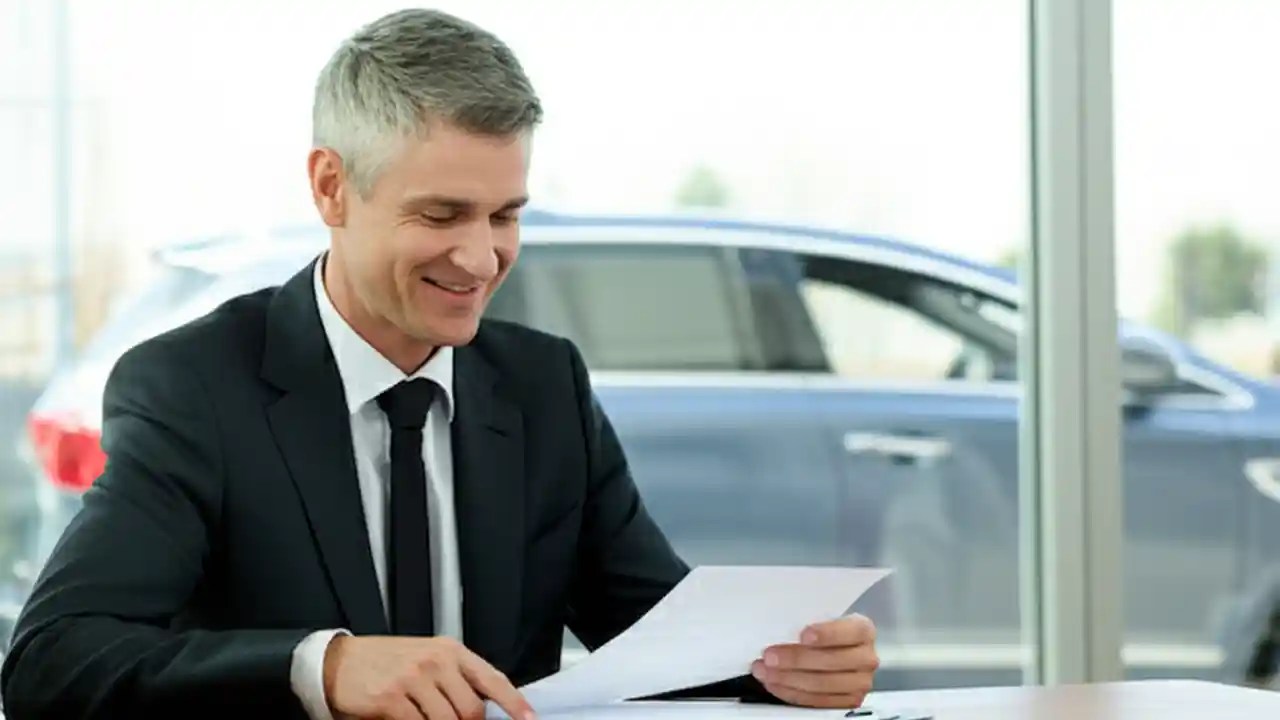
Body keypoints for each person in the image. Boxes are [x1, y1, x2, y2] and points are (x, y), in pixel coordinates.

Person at [0, 9, 880, 720]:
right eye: (441, 215)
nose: (481, 258)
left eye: (505, 215)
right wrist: (324, 668)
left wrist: (784, 669)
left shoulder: (544, 387)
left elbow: (664, 646)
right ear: (331, 188)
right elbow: (54, 663)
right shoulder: (195, 387)